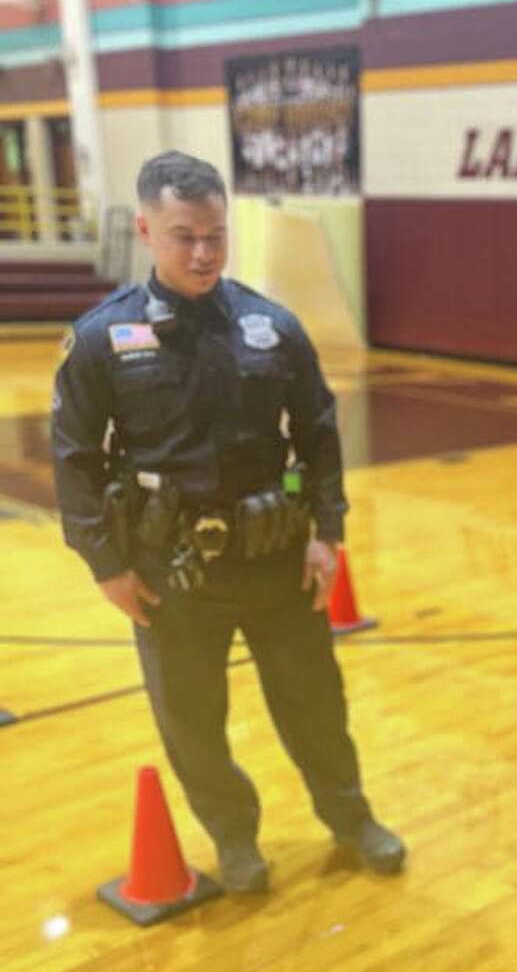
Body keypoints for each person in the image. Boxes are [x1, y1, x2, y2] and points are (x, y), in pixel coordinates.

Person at [52, 150, 405, 894]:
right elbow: (76, 460)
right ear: (146, 229)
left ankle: (351, 819)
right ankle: (235, 838)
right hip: (168, 575)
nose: (203, 251)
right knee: (192, 723)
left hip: (275, 560)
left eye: (215, 234)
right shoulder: (101, 340)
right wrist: (105, 565)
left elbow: (318, 433)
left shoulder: (270, 326)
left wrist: (327, 534)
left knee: (316, 705)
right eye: (184, 235)